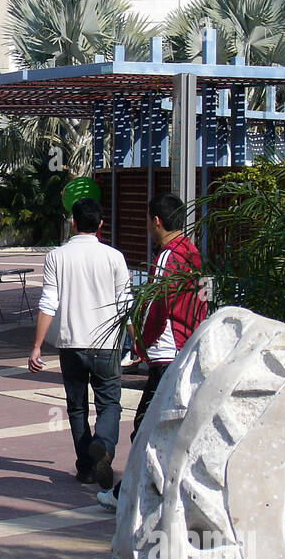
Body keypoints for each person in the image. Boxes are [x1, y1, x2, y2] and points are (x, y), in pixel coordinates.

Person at [98, 192, 207, 508]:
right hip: (186, 346)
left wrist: (141, 343)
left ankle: (130, 495)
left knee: (145, 427)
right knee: (170, 426)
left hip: (165, 352)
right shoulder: (193, 253)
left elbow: (159, 305)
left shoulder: (167, 257)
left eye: (147, 220)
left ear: (156, 221)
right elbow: (203, 296)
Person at [27, 199, 131, 490]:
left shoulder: (56, 257)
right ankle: (103, 446)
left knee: (76, 407)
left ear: (72, 222)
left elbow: (49, 301)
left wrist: (36, 345)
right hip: (108, 343)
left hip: (71, 343)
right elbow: (126, 303)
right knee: (109, 403)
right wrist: (135, 340)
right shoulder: (114, 257)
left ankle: (86, 466)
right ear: (100, 225)